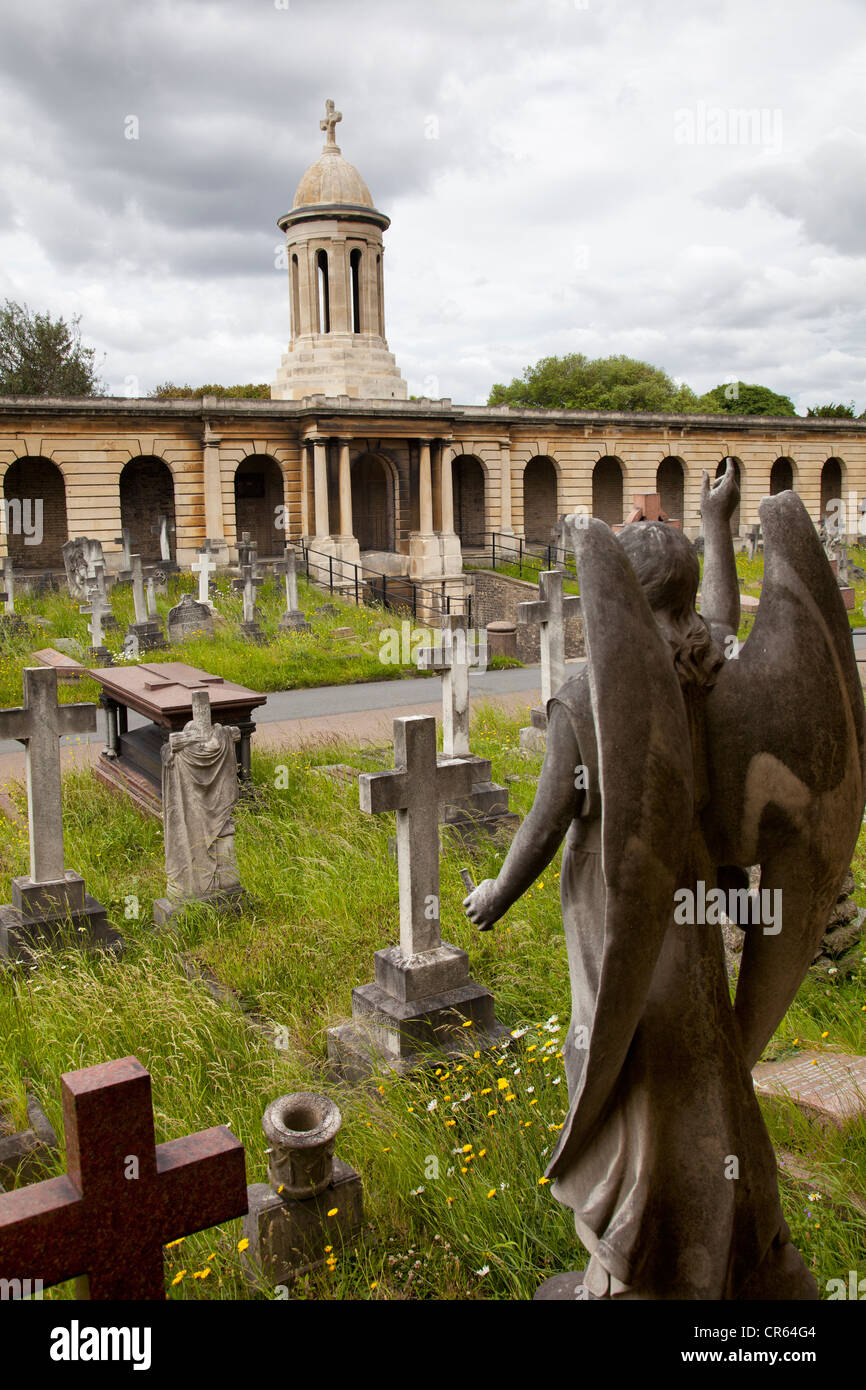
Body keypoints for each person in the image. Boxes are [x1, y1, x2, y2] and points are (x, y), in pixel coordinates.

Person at [463, 464, 820, 1299]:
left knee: (627, 1060)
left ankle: (638, 1257)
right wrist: (717, 520)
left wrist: (494, 896)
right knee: (705, 1059)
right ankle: (736, 1246)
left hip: (621, 906)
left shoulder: (590, 700)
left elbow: (547, 823)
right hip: (690, 901)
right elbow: (725, 617)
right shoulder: (709, 672)